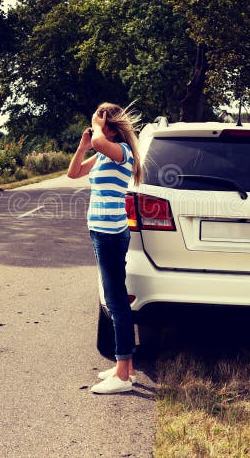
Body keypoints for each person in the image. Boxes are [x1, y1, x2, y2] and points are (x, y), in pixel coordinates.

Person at [66, 102, 142, 394]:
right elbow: (73, 173)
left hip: (110, 234)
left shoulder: (121, 152)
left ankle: (122, 376)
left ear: (110, 126)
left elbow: (101, 139)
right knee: (115, 298)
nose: (95, 128)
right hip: (101, 232)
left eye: (99, 121)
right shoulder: (101, 154)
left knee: (116, 301)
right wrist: (84, 145)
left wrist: (96, 129)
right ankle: (127, 368)